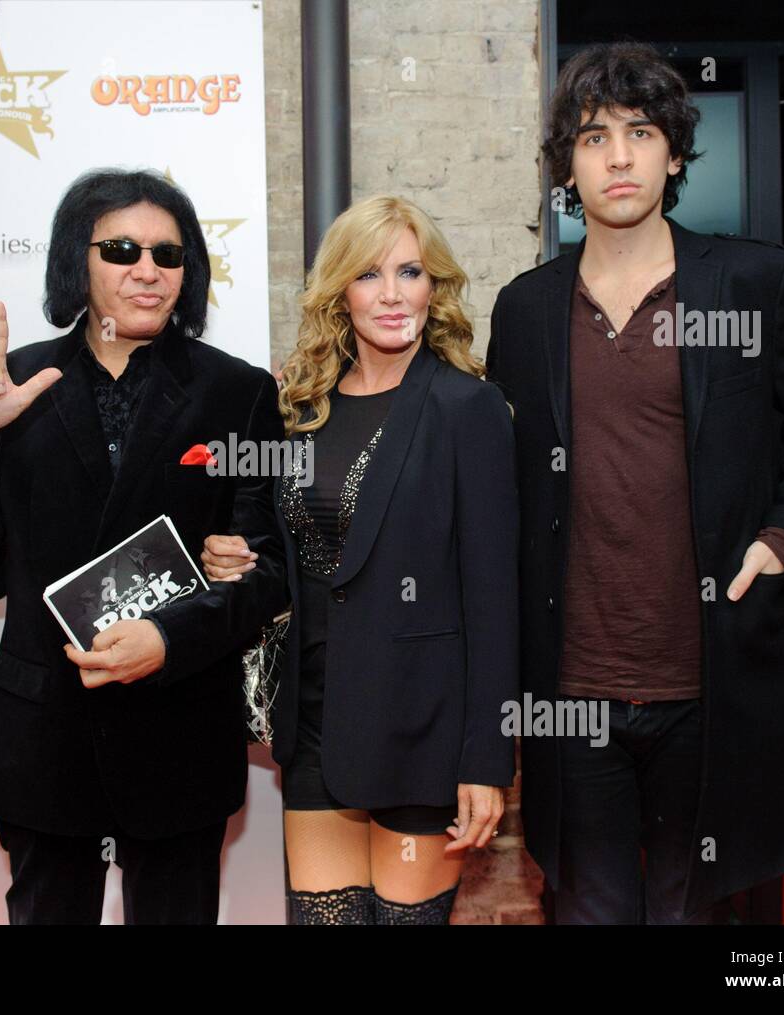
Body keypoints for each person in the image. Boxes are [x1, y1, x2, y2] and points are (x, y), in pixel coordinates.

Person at [485, 41, 784, 924]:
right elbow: (496, 479)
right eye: (592, 137)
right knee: (588, 911)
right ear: (566, 167)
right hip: (571, 695)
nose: (618, 156)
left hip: (715, 682)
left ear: (676, 152)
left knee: (703, 914)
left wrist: (782, 540)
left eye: (641, 132)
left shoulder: (750, 280)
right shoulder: (526, 309)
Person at [0, 168, 287, 924]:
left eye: (168, 254)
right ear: (76, 261)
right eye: (120, 248)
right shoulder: (8, 383)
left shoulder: (237, 391)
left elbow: (269, 569)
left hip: (179, 732)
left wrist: (169, 636)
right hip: (42, 739)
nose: (147, 269)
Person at [201, 195, 519, 924]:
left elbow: (495, 600)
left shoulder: (467, 408)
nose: (392, 293)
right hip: (315, 721)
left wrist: (486, 760)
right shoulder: (301, 407)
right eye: (369, 273)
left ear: (433, 285)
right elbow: (293, 555)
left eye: (410, 271)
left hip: (422, 724)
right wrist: (240, 557)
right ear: (340, 289)